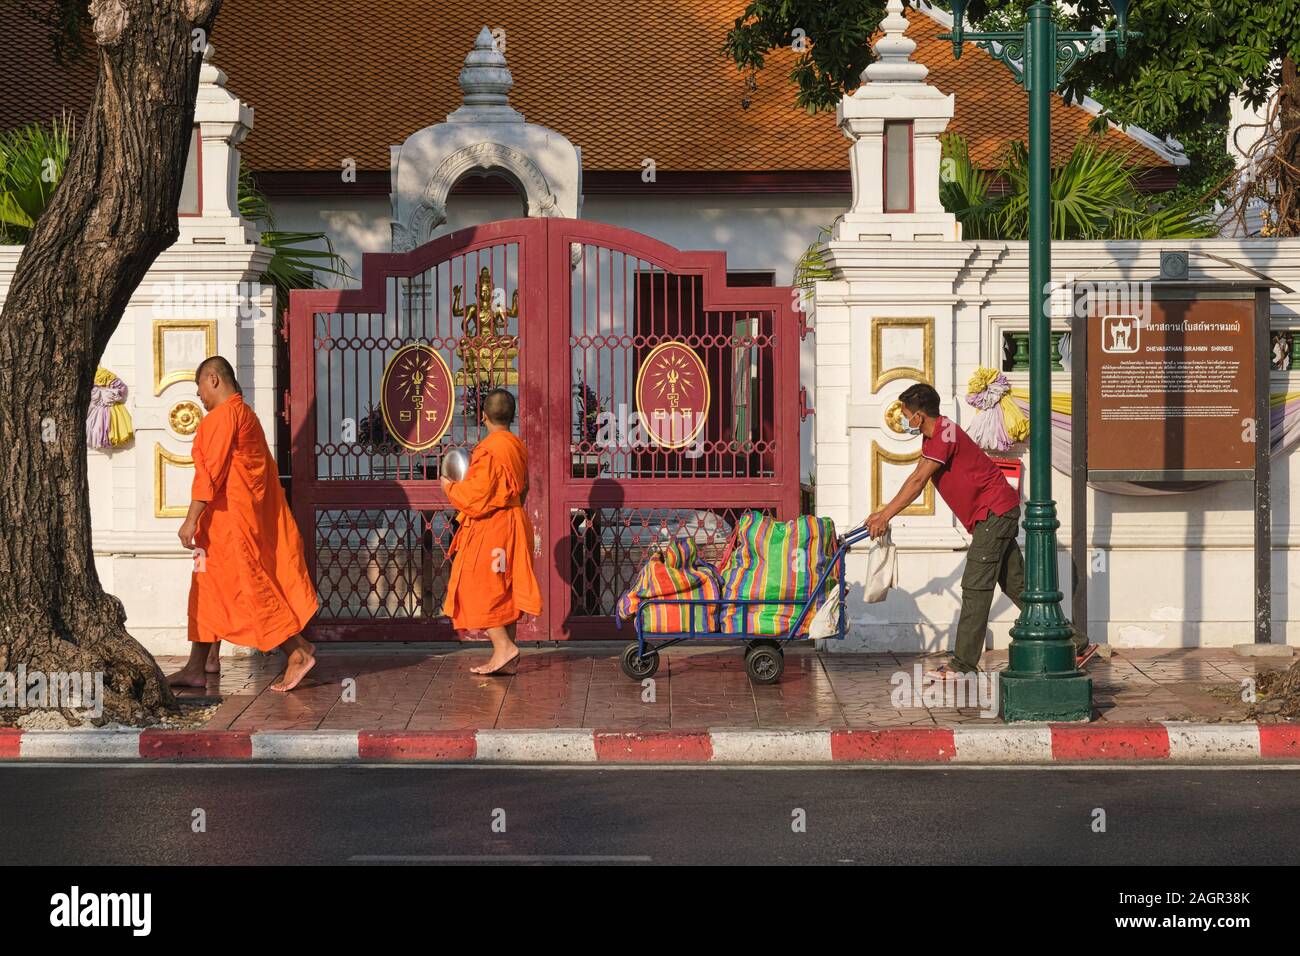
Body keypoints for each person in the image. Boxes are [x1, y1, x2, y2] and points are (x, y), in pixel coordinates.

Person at [863, 383, 1093, 679]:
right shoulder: (939, 434)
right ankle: (1076, 642)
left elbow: (918, 481)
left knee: (975, 587)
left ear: (919, 416)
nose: (905, 420)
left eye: (907, 414)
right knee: (1018, 586)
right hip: (996, 511)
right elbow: (916, 477)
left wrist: (886, 515)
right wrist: (883, 513)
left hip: (993, 512)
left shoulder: (943, 436)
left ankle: (962, 664)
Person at [167, 356, 319, 692]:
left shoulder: (224, 417)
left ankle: (297, 650)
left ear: (214, 379)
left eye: (199, 389)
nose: (200, 398)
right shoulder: (244, 414)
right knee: (207, 589)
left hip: (233, 527)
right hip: (223, 525)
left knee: (248, 591)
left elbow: (211, 474)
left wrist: (190, 520)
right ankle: (198, 664)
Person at [440, 388, 542, 675]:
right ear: (512, 417)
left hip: (493, 526)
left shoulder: (490, 449)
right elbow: (524, 489)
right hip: (514, 520)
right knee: (503, 587)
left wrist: (449, 486)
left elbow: (477, 496)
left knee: (477, 586)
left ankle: (504, 648)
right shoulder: (516, 445)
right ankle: (507, 654)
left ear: (482, 416)